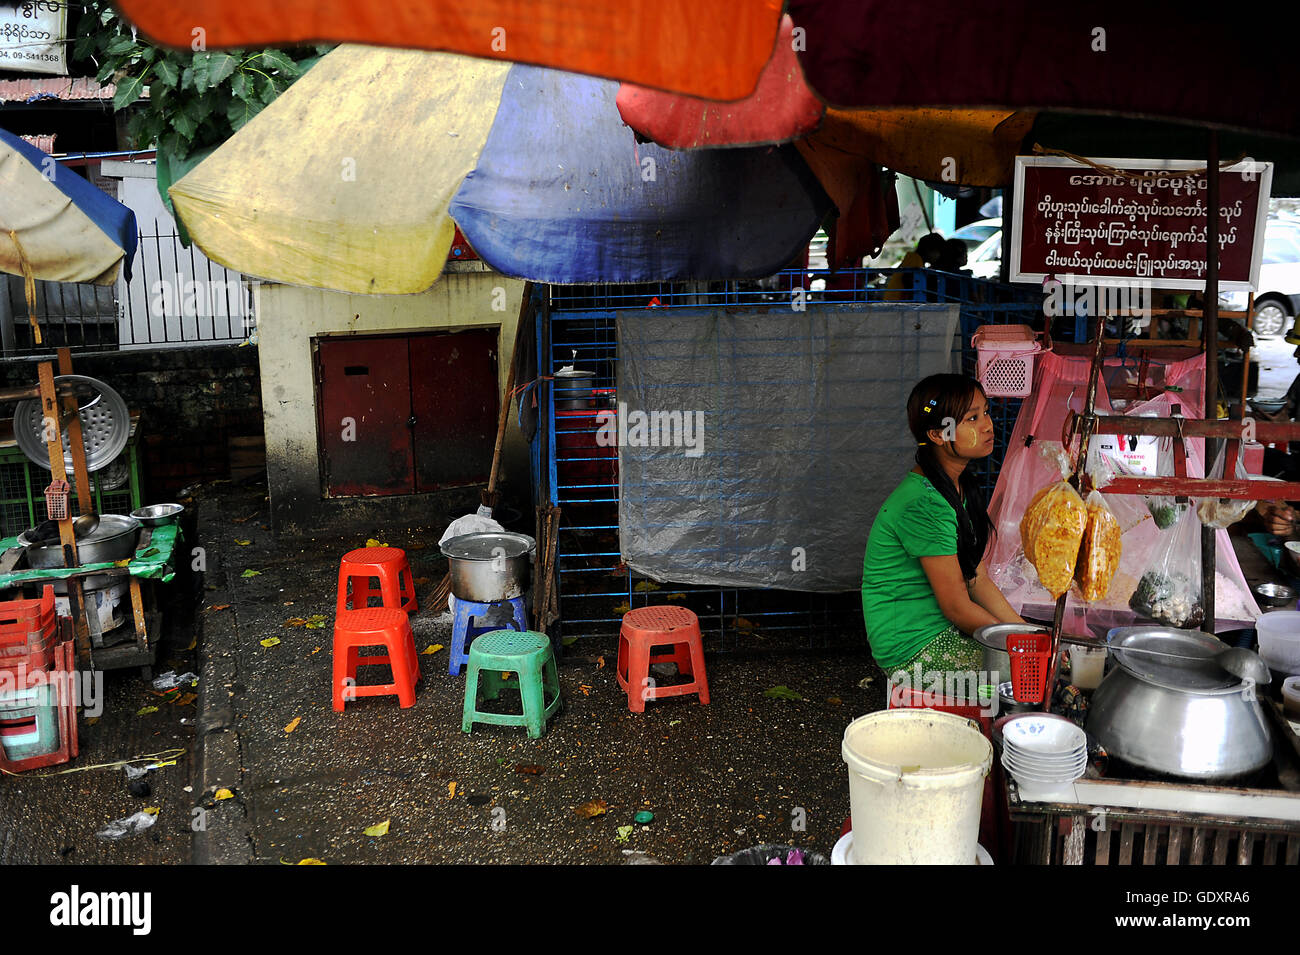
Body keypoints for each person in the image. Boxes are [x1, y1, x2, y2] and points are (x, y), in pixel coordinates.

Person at [861, 374, 1025, 686]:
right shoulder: (925, 504)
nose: (988, 425)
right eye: (972, 418)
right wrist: (1017, 648)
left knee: (1041, 665)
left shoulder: (956, 488)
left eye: (986, 412)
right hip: (911, 652)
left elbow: (977, 580)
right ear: (938, 434)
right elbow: (956, 607)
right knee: (1021, 677)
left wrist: (1028, 634)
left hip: (943, 631)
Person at [884, 233, 944, 302]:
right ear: (929, 250)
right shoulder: (915, 260)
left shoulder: (912, 258)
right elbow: (908, 280)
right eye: (939, 252)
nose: (939, 256)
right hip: (896, 302)